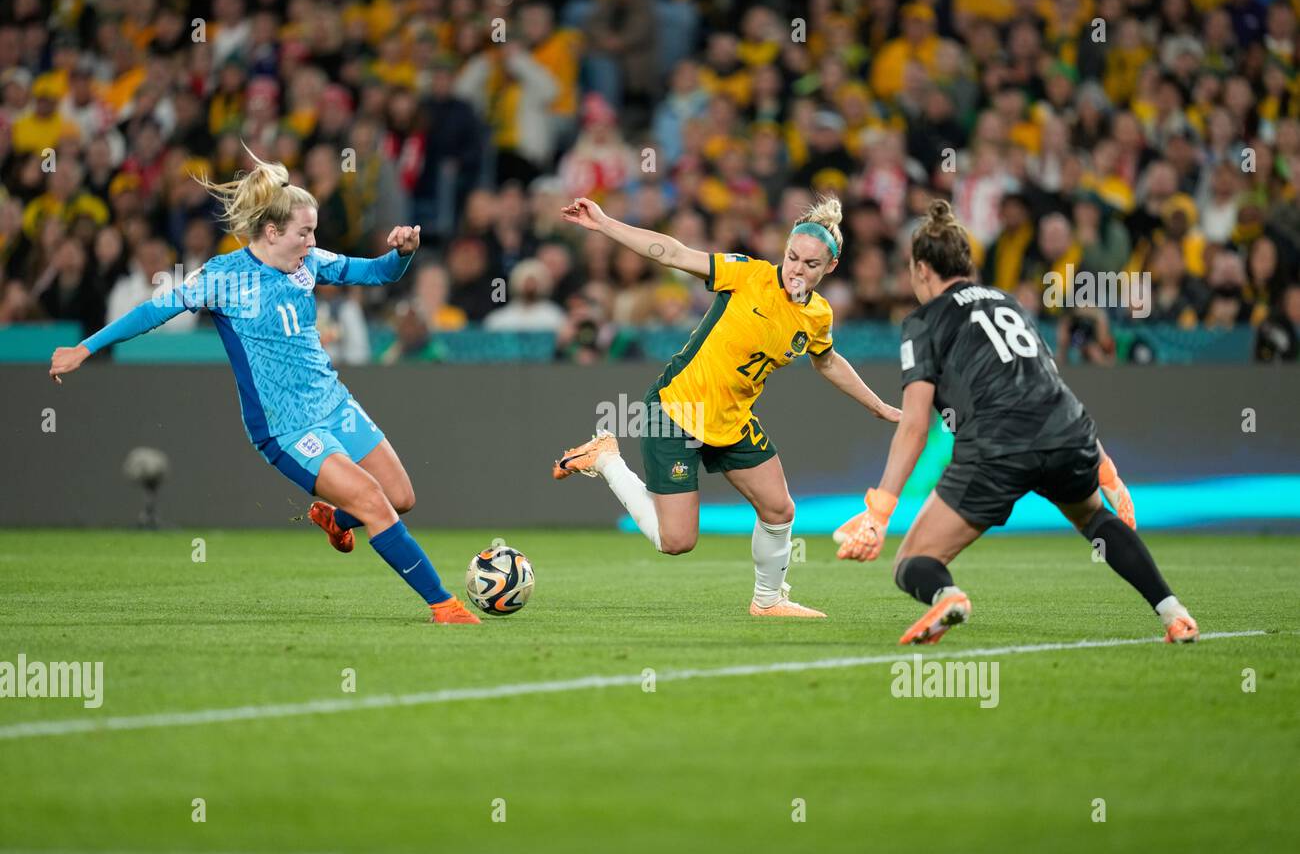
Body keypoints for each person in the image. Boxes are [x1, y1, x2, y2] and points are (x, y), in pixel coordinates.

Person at [47, 151, 480, 625]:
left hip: (333, 403)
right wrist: (86, 348)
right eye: (304, 232)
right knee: (375, 503)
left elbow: (376, 273)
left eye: (313, 231)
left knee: (401, 497)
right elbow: (153, 310)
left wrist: (402, 252)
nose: (312, 241)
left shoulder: (308, 262)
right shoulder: (223, 277)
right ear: (272, 233)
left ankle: (336, 519)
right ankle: (444, 606)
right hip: (286, 426)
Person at [834, 200, 1197, 645]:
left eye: (912, 268)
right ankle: (1175, 614)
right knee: (1097, 521)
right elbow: (1051, 384)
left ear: (923, 269)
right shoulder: (1009, 303)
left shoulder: (924, 321)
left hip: (998, 447)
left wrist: (879, 510)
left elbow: (914, 425)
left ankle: (949, 597)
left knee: (912, 563)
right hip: (1066, 433)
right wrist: (1108, 471)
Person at [552, 194, 901, 617]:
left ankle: (768, 601)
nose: (796, 270)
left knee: (779, 508)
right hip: (678, 409)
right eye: (792, 258)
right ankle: (605, 457)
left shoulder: (817, 316)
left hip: (732, 420)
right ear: (784, 250)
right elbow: (674, 252)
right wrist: (606, 224)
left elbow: (826, 360)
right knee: (676, 542)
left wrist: (879, 406)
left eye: (810, 265)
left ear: (830, 268)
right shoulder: (747, 274)